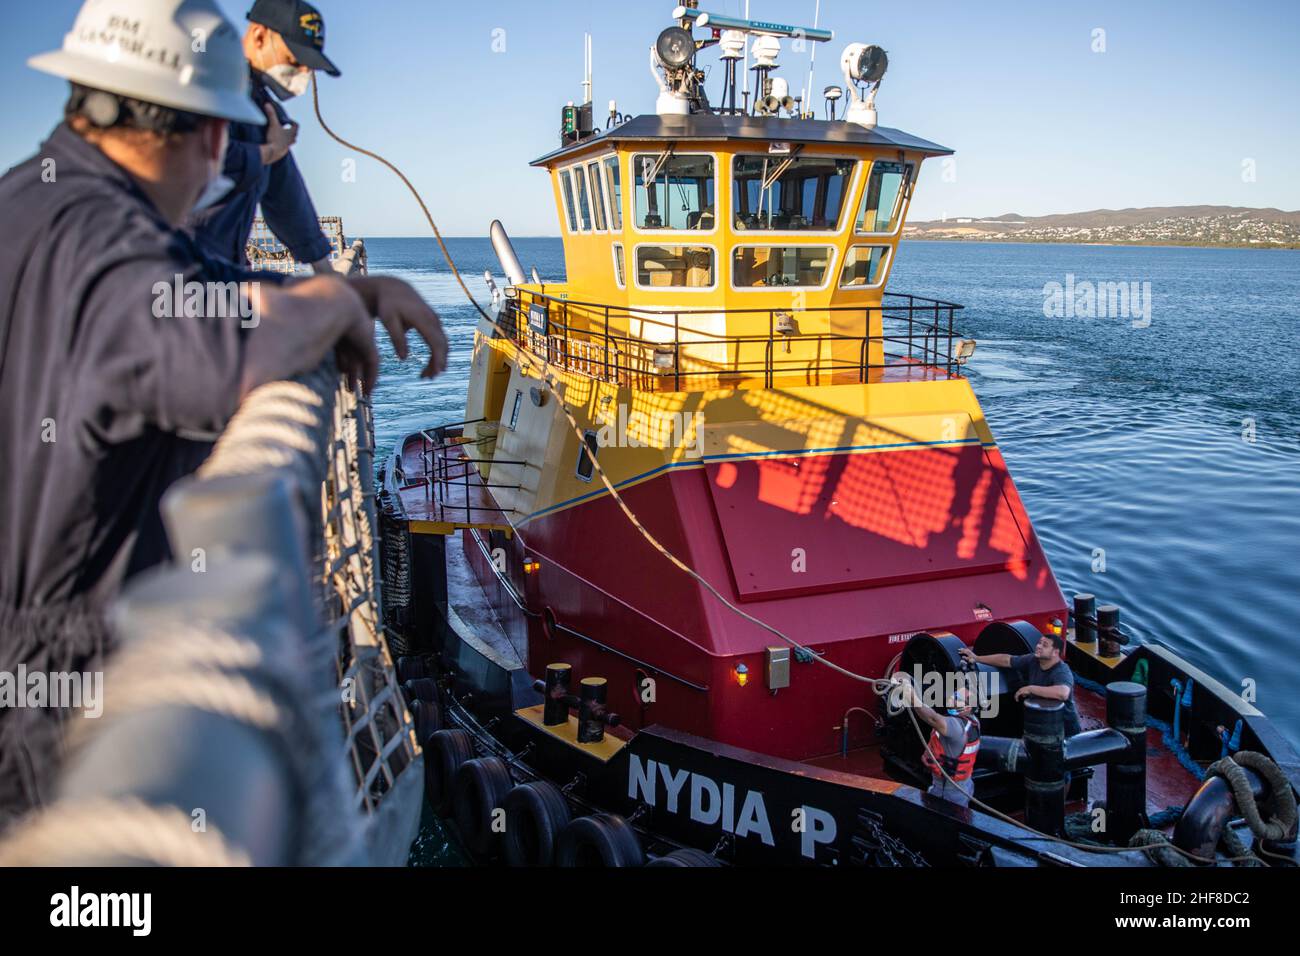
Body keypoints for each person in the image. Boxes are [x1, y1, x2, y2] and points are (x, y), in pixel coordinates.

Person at [0, 0, 448, 827]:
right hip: (53, 693)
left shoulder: (23, 203)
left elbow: (195, 297)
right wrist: (337, 299)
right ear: (215, 141)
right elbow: (210, 331)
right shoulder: (116, 248)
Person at [189, 0, 341, 271]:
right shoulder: (203, 85)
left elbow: (286, 195)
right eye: (294, 60)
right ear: (259, 36)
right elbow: (190, 158)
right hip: (171, 268)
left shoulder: (262, 110)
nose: (303, 74)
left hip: (221, 271)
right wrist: (267, 153)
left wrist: (324, 269)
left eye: (309, 67)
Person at [959, 631, 1082, 737]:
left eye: (1044, 645)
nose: (1039, 646)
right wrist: (977, 658)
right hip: (1041, 725)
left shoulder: (1061, 671)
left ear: (1056, 652)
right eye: (1039, 643)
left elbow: (1063, 693)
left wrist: (1030, 689)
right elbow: (1007, 660)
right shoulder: (1033, 660)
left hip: (1065, 730)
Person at [893, 674, 981, 807]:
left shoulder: (955, 728)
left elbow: (932, 718)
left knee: (946, 816)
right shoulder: (972, 721)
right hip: (961, 784)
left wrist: (910, 696)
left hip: (949, 790)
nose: (952, 698)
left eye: (957, 698)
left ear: (967, 708)